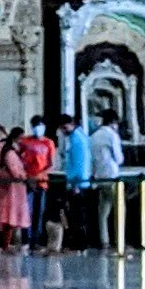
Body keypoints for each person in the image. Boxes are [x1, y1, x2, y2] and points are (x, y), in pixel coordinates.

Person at [17, 114, 57, 248]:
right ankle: (25, 239)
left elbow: (51, 164)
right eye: (35, 126)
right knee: (26, 210)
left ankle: (36, 239)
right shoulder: (25, 142)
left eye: (39, 126)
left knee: (39, 211)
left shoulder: (48, 143)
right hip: (27, 181)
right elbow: (18, 158)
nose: (37, 129)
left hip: (41, 181)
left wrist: (40, 175)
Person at [89, 107, 125, 251]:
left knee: (103, 212)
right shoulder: (112, 136)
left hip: (99, 177)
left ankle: (104, 241)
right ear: (114, 122)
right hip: (112, 177)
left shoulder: (94, 136)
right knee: (119, 210)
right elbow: (119, 158)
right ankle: (119, 240)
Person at [0, 128, 32, 254]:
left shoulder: (13, 152)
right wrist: (24, 176)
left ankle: (6, 244)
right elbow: (15, 171)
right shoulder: (9, 153)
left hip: (15, 190)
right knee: (8, 218)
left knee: (10, 218)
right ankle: (4, 245)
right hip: (11, 190)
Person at [59, 108, 94, 250]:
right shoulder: (78, 137)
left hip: (77, 183)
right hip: (78, 181)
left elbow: (80, 162)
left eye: (64, 128)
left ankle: (79, 243)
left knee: (77, 215)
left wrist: (76, 184)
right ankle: (79, 242)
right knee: (77, 214)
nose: (63, 131)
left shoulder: (77, 139)